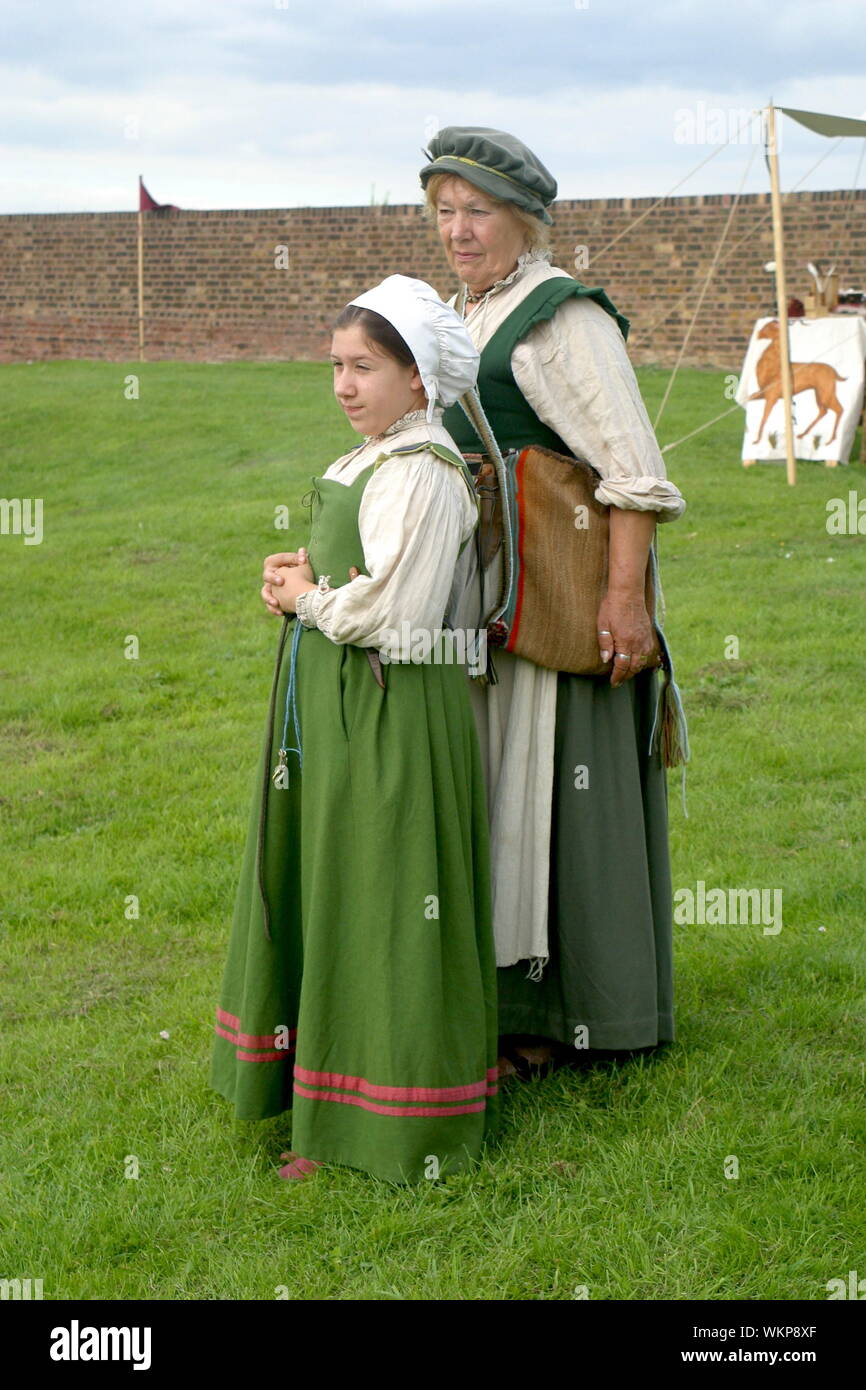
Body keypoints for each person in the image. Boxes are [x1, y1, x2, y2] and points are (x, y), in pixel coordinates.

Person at [212, 275, 499, 1182]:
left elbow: (400, 613)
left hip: (389, 712)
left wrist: (312, 601)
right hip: (336, 705)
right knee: (333, 887)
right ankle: (315, 1094)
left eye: (365, 367)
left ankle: (380, 1120)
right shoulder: (373, 457)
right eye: (336, 364)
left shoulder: (422, 470)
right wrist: (302, 579)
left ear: (419, 380)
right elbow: (358, 572)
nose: (343, 384)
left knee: (382, 901)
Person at [417, 127, 687, 1075]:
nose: (457, 230)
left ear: (523, 219)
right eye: (445, 211)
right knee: (499, 784)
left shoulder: (562, 318)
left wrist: (623, 603)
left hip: (562, 590)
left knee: (561, 782)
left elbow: (636, 474)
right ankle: (508, 1004)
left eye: (476, 212)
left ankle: (588, 1010)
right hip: (488, 590)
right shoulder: (466, 313)